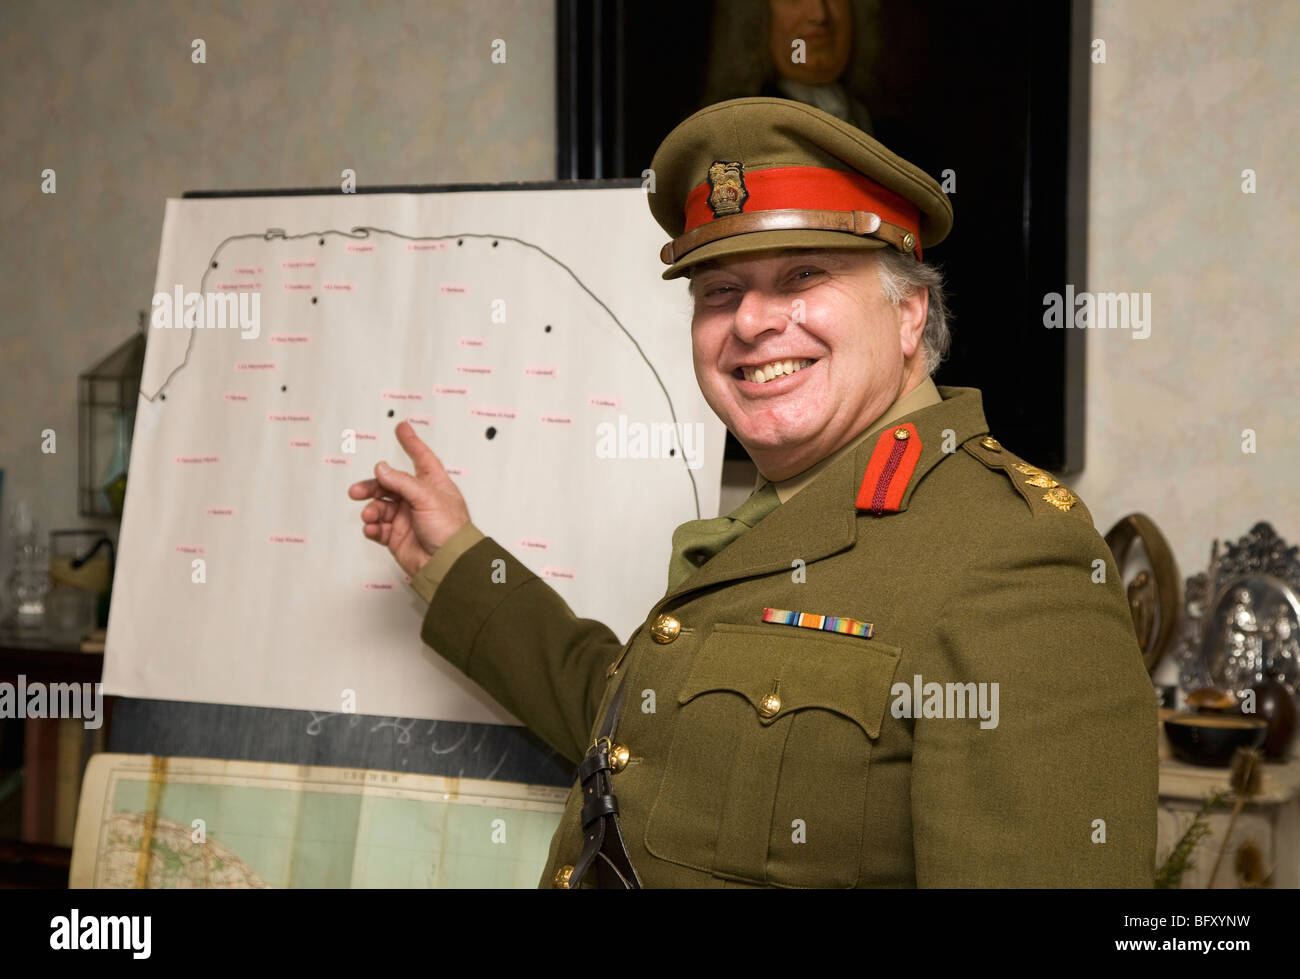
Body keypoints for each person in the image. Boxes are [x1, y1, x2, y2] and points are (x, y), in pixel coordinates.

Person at [347, 97, 1158, 888]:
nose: (752, 323)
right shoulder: (785, 514)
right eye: (719, 291)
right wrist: (452, 557)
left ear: (910, 313)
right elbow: (650, 727)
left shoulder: (1016, 555)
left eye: (803, 274)